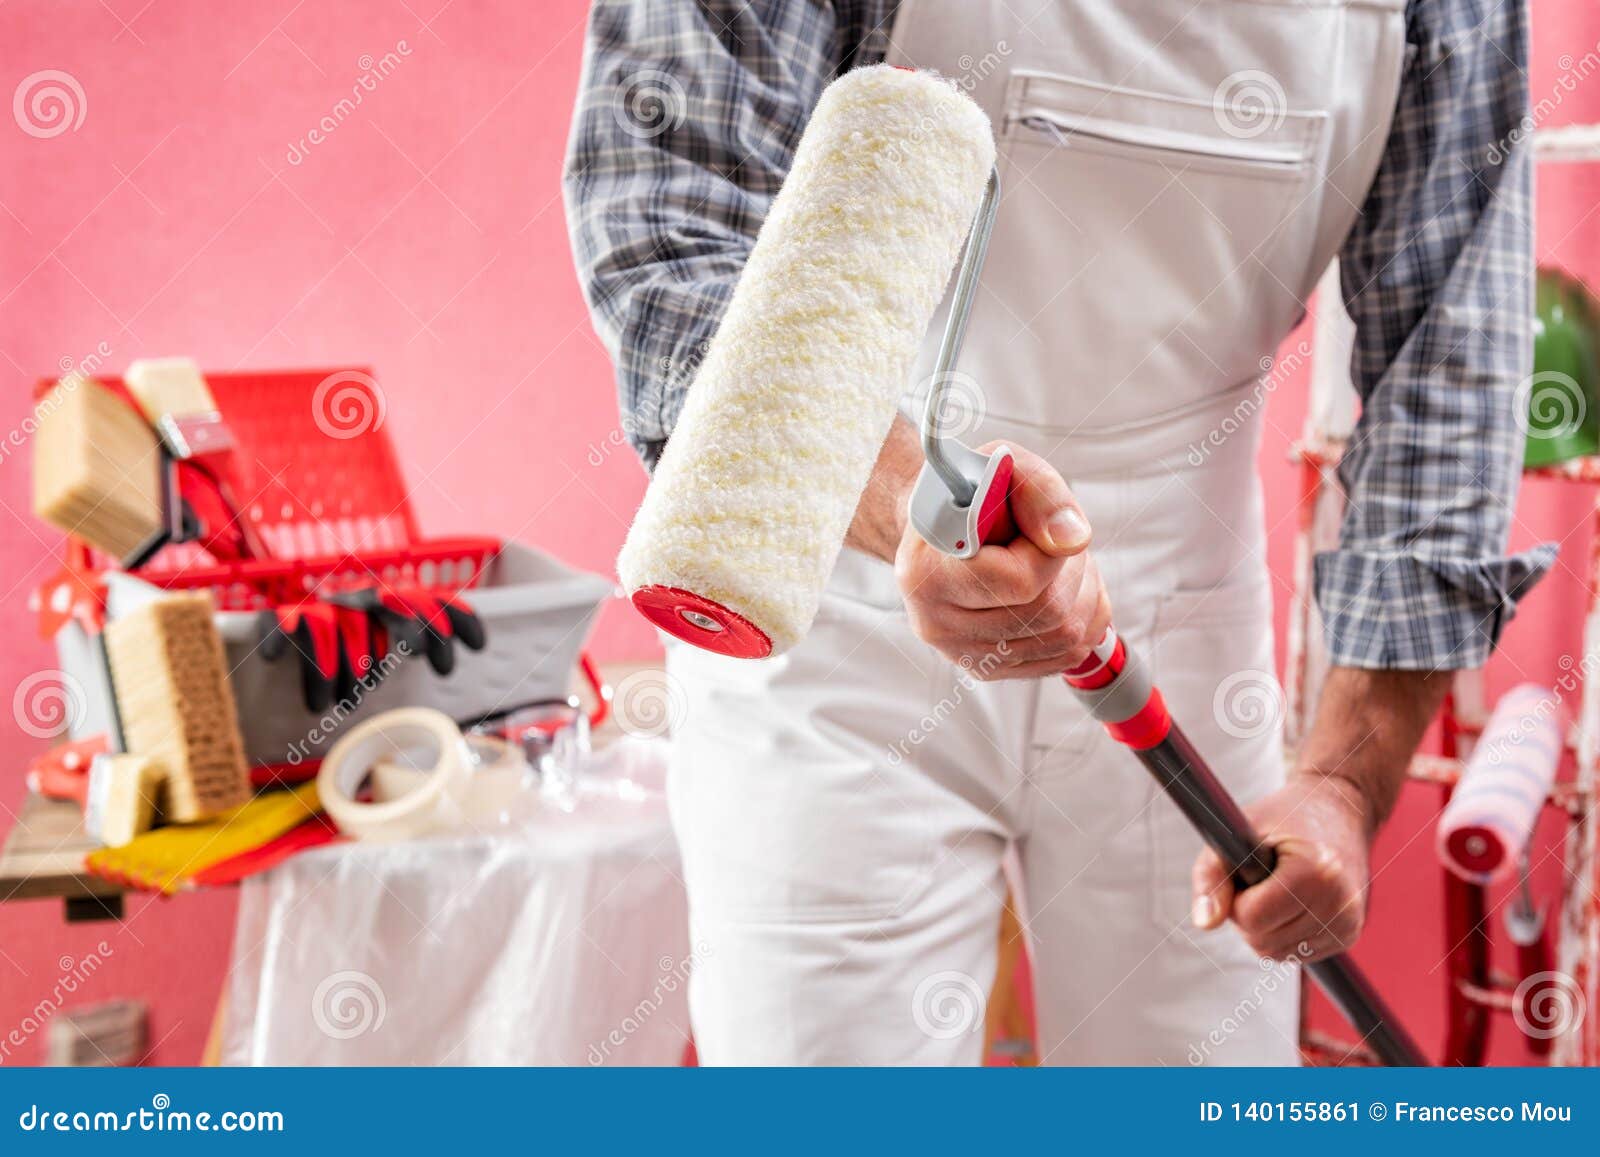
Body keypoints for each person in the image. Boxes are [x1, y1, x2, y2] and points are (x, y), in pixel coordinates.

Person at [564, 0, 1551, 1064]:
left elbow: (1446, 374)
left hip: (1178, 624)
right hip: (841, 611)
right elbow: (670, 228)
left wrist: (1341, 783)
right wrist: (926, 509)